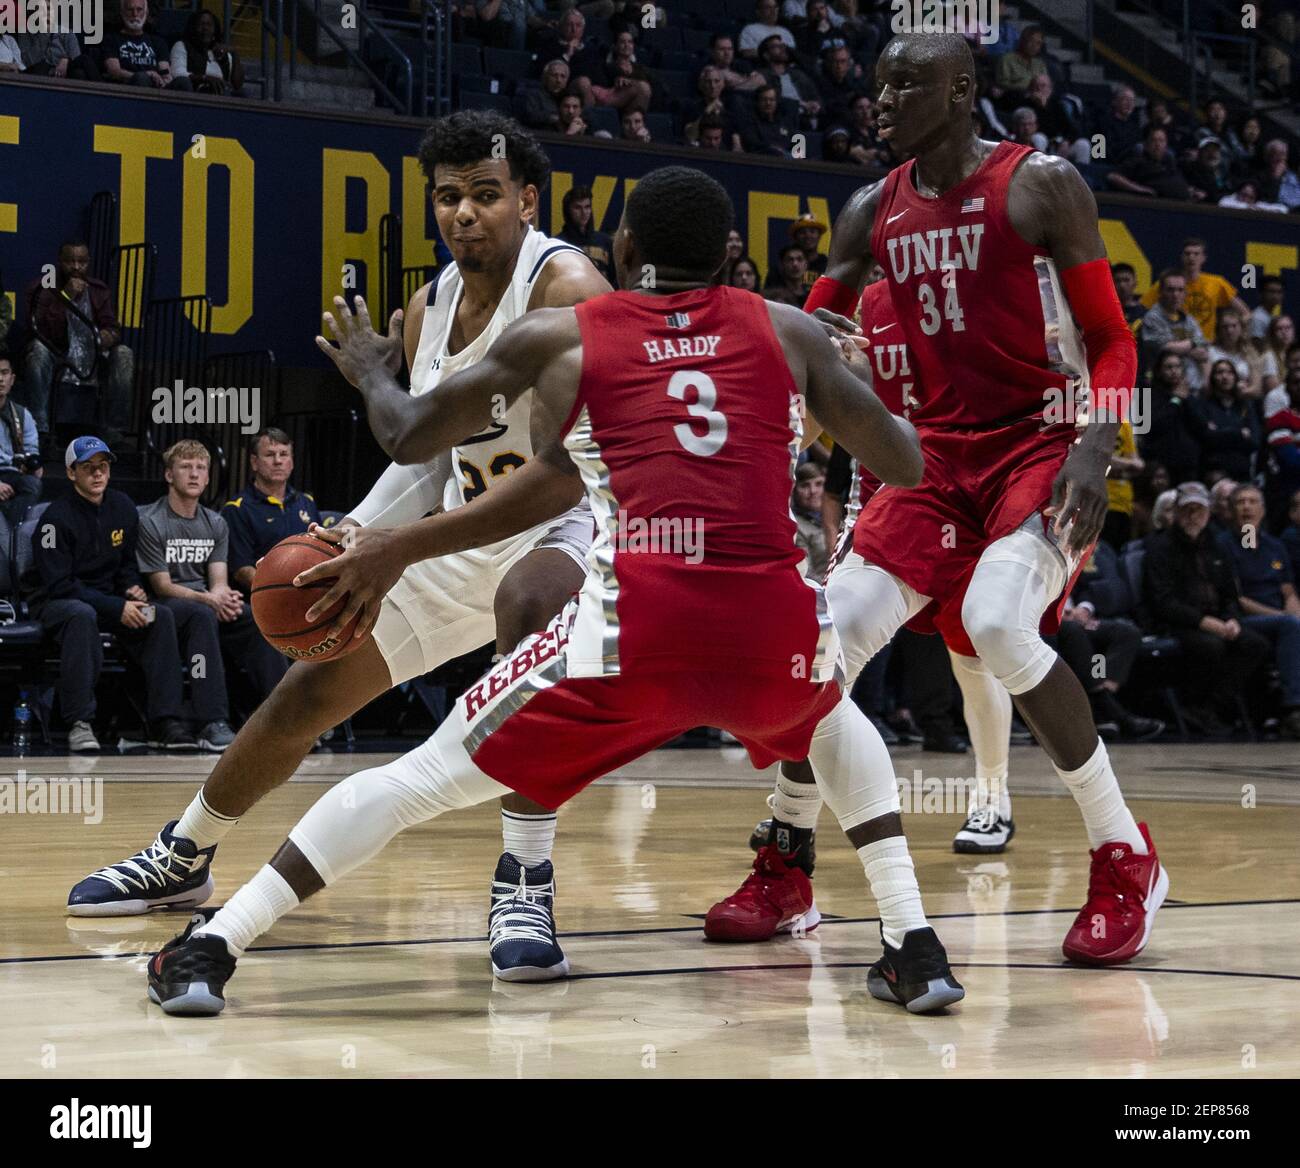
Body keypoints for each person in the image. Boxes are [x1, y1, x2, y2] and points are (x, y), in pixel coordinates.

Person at [147, 164, 964, 1019]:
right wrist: (858, 375)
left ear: (625, 248)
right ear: (728, 256)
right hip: (773, 629)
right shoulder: (790, 330)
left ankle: (212, 944)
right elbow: (904, 463)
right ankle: (913, 946)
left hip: (635, 634)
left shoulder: (565, 336)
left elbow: (407, 432)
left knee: (416, 780)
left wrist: (371, 371)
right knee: (833, 716)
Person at [69, 114, 605, 990]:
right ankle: (186, 849)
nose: (464, 213)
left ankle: (526, 878)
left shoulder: (566, 288)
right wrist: (358, 534)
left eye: (485, 194)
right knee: (310, 677)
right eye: (447, 197)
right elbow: (430, 459)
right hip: (457, 533)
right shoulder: (427, 307)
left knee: (531, 605)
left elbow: (563, 478)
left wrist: (396, 541)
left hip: (571, 530)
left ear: (526, 200)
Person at [714, 32, 1169, 968]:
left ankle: (1125, 854)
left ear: (964, 91)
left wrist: (1096, 441)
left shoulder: (1041, 185)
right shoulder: (866, 210)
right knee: (818, 644)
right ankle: (787, 863)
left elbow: (1113, 340)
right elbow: (805, 336)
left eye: (905, 84)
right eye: (876, 85)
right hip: (927, 463)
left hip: (1039, 446)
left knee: (999, 623)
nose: (879, 101)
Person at [30, 437, 197, 753]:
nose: (97, 474)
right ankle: (80, 722)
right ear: (71, 473)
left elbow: (126, 565)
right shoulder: (54, 519)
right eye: (88, 468)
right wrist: (116, 605)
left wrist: (131, 589)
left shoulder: (122, 507)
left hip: (110, 601)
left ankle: (165, 721)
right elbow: (59, 585)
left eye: (103, 467)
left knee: (159, 615)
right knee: (81, 615)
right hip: (57, 603)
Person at [135, 441, 240, 753]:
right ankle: (212, 719)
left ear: (207, 478)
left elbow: (218, 580)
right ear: (169, 474)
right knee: (201, 615)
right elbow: (162, 585)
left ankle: (281, 721)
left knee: (256, 618)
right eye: (185, 467)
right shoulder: (150, 520)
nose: (194, 474)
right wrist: (210, 600)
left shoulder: (216, 522)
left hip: (202, 602)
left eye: (200, 468)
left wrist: (225, 598)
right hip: (163, 604)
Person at [1143, 481, 1269, 736]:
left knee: (1255, 644)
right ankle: (1196, 706)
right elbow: (1162, 602)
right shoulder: (1160, 548)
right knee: (1211, 646)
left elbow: (1230, 594)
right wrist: (1203, 621)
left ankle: (1209, 707)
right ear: (1177, 512)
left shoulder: (1216, 545)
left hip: (1217, 621)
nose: (1193, 516)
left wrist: (1231, 619)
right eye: (1187, 510)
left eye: (1198, 510)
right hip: (1178, 622)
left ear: (1208, 513)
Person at [22, 241, 136, 447]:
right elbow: (41, 329)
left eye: (81, 262)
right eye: (69, 261)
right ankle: (39, 428)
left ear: (88, 263)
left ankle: (115, 430)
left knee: (124, 354)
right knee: (38, 351)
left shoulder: (98, 290)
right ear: (59, 262)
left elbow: (112, 326)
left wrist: (108, 335)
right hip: (57, 350)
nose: (76, 267)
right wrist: (66, 296)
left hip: (91, 352)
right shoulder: (42, 287)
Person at [1222, 483, 1300, 738]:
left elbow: (1288, 591)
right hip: (1245, 618)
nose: (1246, 507)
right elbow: (1239, 598)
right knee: (1290, 626)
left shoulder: (1274, 545)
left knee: (1294, 625)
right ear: (1231, 511)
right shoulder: (1224, 545)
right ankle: (1293, 706)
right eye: (1240, 502)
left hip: (1282, 619)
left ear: (1263, 510)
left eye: (1252, 501)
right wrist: (1284, 618)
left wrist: (1294, 614)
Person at [220, 428, 322, 596]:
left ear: (292, 461)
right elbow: (242, 570)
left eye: (284, 454)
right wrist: (282, 592)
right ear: (254, 462)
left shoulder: (306, 502)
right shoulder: (237, 508)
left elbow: (319, 551)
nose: (278, 461)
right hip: (262, 597)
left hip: (307, 591)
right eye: (269, 455)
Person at [1139, 238, 1250, 342]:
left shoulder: (1217, 283)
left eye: (1196, 254)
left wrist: (1239, 336)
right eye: (1187, 254)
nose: (1191, 258)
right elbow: (1141, 310)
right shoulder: (1169, 283)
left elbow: (1245, 313)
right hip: (1174, 344)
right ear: (1182, 257)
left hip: (1206, 346)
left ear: (1203, 258)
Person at [1188, 359, 1263, 483]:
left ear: (1235, 377)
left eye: (1229, 372)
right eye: (1219, 372)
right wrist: (1239, 433)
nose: (1225, 376)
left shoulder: (1245, 406)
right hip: (1213, 471)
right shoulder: (1203, 405)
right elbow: (1207, 438)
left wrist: (1220, 432)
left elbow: (1254, 441)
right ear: (1213, 377)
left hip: (1242, 472)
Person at [1139, 271, 1209, 391]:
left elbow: (1204, 353)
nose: (1176, 294)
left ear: (1185, 293)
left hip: (1192, 389)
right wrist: (1192, 344)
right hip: (1162, 389)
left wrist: (1179, 346)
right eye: (1170, 290)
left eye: (1180, 290)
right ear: (1160, 292)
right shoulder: (1152, 318)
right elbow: (1167, 348)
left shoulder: (1189, 320)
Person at [101, 0, 192, 90]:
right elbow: (114, 71)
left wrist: (165, 79)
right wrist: (147, 74)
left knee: (183, 82)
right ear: (122, 13)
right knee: (141, 78)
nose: (135, 14)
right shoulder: (111, 39)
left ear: (146, 12)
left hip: (157, 87)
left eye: (139, 9)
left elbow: (165, 71)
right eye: (130, 9)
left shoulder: (157, 41)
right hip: (127, 87)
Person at [1140, 351, 1201, 485]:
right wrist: (1176, 400)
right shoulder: (1148, 395)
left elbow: (1201, 426)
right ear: (1160, 371)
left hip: (1188, 464)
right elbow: (1154, 425)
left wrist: (1185, 399)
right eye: (1169, 367)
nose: (1174, 371)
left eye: (1178, 367)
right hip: (1160, 465)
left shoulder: (1189, 397)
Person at [0, 352, 42, 528]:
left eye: (4, 373)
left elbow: (31, 450)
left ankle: (12, 532)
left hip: (12, 473)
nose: (0, 379)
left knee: (32, 483)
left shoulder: (22, 415)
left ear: (12, 379)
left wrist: (33, 464)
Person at [169, 8, 243, 96]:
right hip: (195, 93)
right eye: (201, 24)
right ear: (193, 28)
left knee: (242, 93)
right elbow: (178, 73)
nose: (205, 28)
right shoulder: (182, 46)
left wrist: (234, 53)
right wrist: (205, 78)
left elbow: (237, 85)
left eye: (209, 24)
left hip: (221, 96)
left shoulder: (223, 53)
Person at [1107, 126, 1190, 201]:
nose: (1158, 145)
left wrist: (1192, 190)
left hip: (1183, 204)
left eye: (1161, 141)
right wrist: (1140, 189)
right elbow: (1113, 177)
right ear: (1146, 144)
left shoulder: (1170, 162)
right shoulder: (1138, 160)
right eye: (1154, 140)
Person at [556, 185, 614, 284]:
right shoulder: (558, 244)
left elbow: (614, 279)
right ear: (567, 211)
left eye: (587, 207)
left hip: (603, 297)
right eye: (577, 208)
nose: (584, 212)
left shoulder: (605, 242)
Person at [1207, 308, 1265, 400]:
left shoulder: (1251, 354)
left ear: (1241, 328)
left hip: (1244, 402)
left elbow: (1257, 390)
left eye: (1234, 326)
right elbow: (1207, 387)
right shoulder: (1210, 352)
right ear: (1218, 330)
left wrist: (1242, 391)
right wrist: (1235, 390)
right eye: (1225, 327)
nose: (1229, 331)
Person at [792, 461, 828, 579]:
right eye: (805, 485)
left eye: (819, 484)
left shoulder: (840, 517)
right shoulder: (794, 526)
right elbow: (805, 574)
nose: (813, 491)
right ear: (794, 491)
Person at [994, 23, 1046, 101]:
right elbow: (1002, 83)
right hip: (1016, 96)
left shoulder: (1040, 64)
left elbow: (1045, 84)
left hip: (1039, 97)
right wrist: (1027, 85)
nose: (1034, 46)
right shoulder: (1007, 59)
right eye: (1031, 41)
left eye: (1038, 43)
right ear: (1023, 41)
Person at [1248, 275, 1286, 342]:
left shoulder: (1272, 316)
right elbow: (1257, 348)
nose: (1276, 296)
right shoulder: (1257, 318)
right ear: (1261, 293)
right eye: (1272, 292)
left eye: (1279, 292)